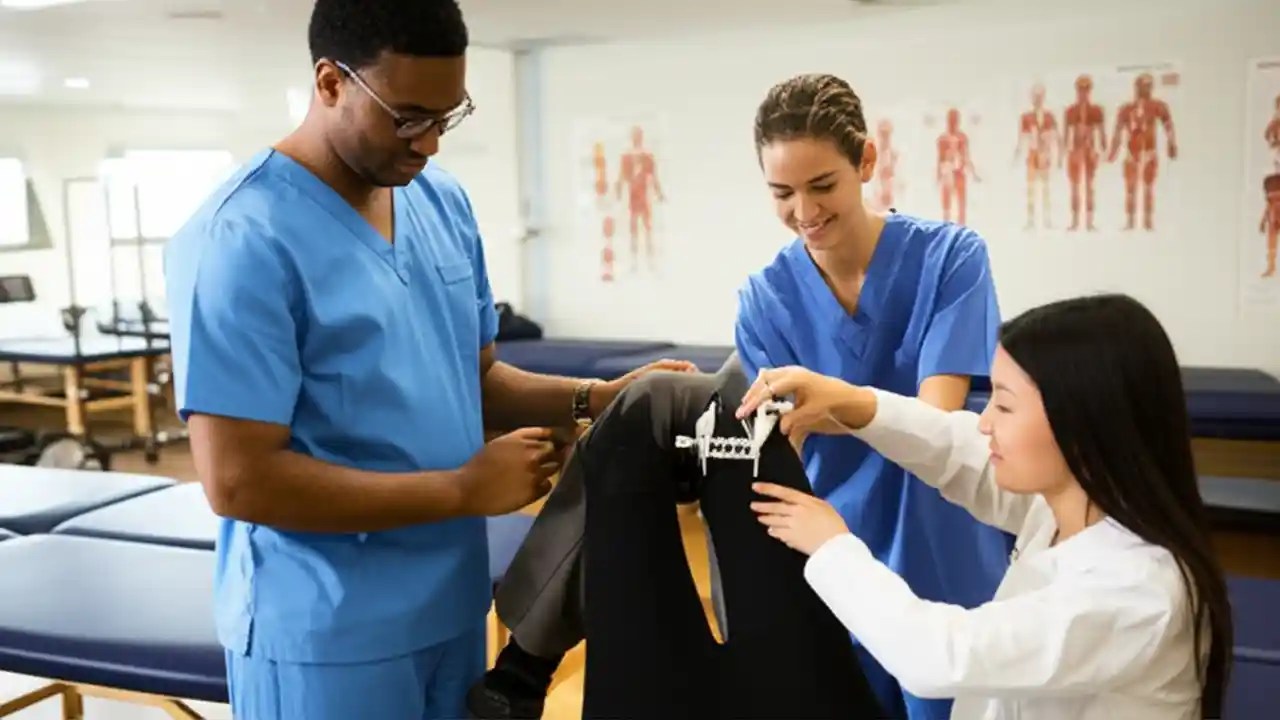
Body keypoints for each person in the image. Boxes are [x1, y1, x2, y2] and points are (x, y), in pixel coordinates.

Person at [162, 2, 693, 718]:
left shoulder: (440, 202)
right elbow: (237, 480)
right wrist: (462, 491)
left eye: (448, 116)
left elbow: (470, 378)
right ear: (329, 83)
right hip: (326, 633)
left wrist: (595, 399)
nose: (431, 144)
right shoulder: (240, 238)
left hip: (450, 606)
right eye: (408, 117)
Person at [739, 293, 1234, 720]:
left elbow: (936, 655)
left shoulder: (1136, 590)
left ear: (1081, 423)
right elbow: (959, 452)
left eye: (1004, 404)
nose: (984, 423)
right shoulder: (1069, 510)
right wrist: (851, 402)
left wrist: (832, 547)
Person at [735, 72, 1014, 719]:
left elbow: (938, 422)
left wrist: (833, 402)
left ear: (866, 159)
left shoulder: (950, 260)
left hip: (944, 551)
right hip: (834, 553)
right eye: (782, 193)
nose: (804, 213)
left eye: (822, 185)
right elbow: (785, 447)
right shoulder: (764, 300)